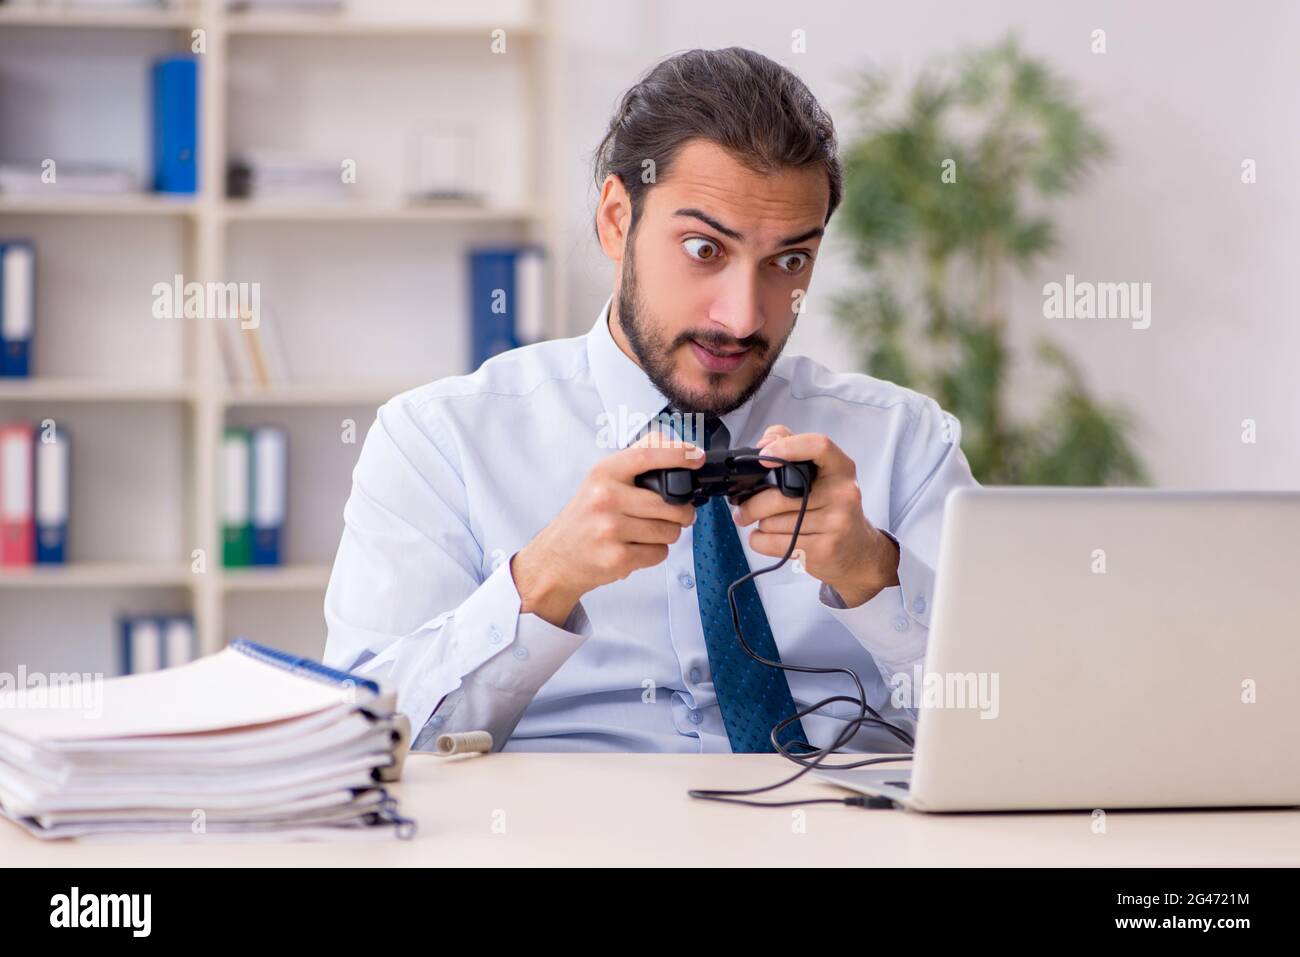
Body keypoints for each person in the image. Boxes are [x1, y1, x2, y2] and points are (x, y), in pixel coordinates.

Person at [324, 47, 976, 754]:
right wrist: (541, 582)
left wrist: (877, 579)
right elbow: (362, 741)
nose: (743, 316)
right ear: (615, 220)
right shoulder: (437, 440)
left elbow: (1010, 727)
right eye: (704, 249)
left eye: (789, 261)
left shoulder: (906, 441)